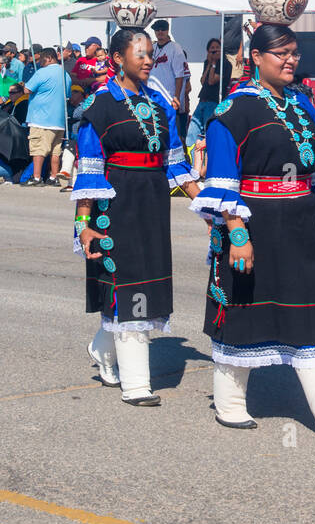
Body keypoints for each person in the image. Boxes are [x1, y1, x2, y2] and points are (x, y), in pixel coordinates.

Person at [192, 22, 315, 435]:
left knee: (306, 312)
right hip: (253, 222)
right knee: (244, 308)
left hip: (300, 220)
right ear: (255, 58)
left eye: (294, 53)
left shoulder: (303, 105)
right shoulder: (232, 112)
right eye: (281, 53)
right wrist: (237, 236)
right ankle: (230, 401)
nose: (291, 60)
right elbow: (222, 180)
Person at [74, 28, 200, 405]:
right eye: (140, 54)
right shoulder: (99, 106)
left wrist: (212, 209)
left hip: (153, 200)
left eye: (150, 54)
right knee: (126, 281)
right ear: (117, 59)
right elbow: (89, 170)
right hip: (115, 201)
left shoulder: (160, 105)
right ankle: (136, 384)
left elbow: (178, 165)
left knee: (146, 277)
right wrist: (84, 224)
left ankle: (102, 348)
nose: (148, 60)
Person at [22, 49, 71, 186]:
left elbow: (27, 89)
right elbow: (68, 94)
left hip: (41, 118)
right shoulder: (65, 74)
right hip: (59, 120)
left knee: (38, 149)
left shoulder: (42, 72)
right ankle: (53, 177)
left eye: (42, 60)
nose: (40, 63)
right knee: (55, 151)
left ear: (49, 58)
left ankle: (36, 178)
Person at [187, 38, 234, 147]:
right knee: (193, 131)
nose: (215, 50)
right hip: (202, 100)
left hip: (214, 101)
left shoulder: (225, 64)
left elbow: (211, 81)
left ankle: (206, 160)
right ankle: (194, 158)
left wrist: (214, 64)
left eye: (217, 48)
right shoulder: (206, 63)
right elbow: (203, 81)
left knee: (207, 131)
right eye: (212, 48)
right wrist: (209, 64)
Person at [150, 20, 190, 136]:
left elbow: (180, 75)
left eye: (163, 29)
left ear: (167, 30)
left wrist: (176, 97)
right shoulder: (152, 48)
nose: (160, 32)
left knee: (170, 133)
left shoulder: (175, 48)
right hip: (152, 96)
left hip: (168, 98)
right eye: (157, 29)